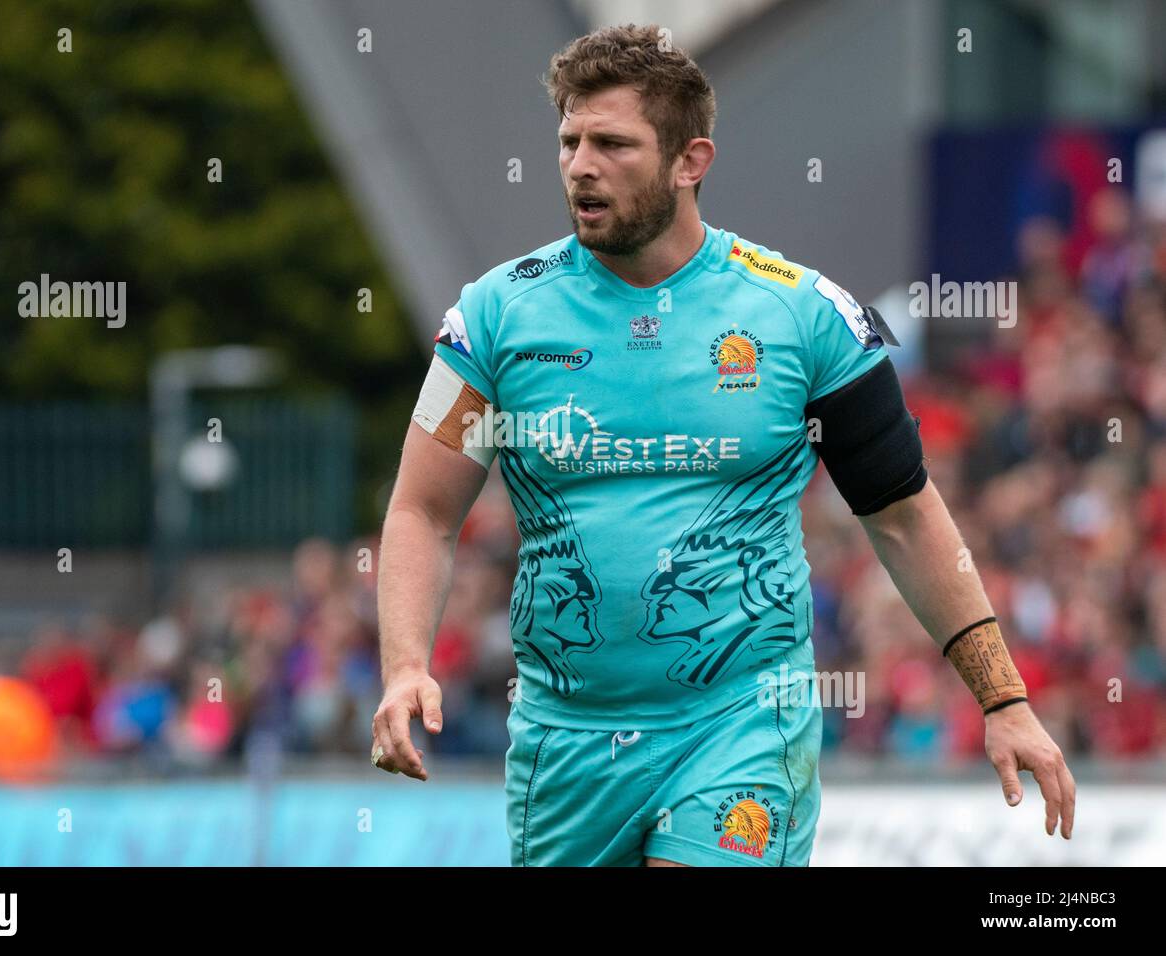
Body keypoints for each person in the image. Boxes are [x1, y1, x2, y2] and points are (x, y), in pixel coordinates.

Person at [371, 23, 1076, 866]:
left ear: (689, 160)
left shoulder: (803, 317)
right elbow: (422, 510)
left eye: (612, 143)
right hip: (565, 742)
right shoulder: (493, 317)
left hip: (741, 722)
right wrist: (406, 665)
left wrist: (1002, 697)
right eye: (568, 141)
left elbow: (904, 515)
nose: (579, 165)